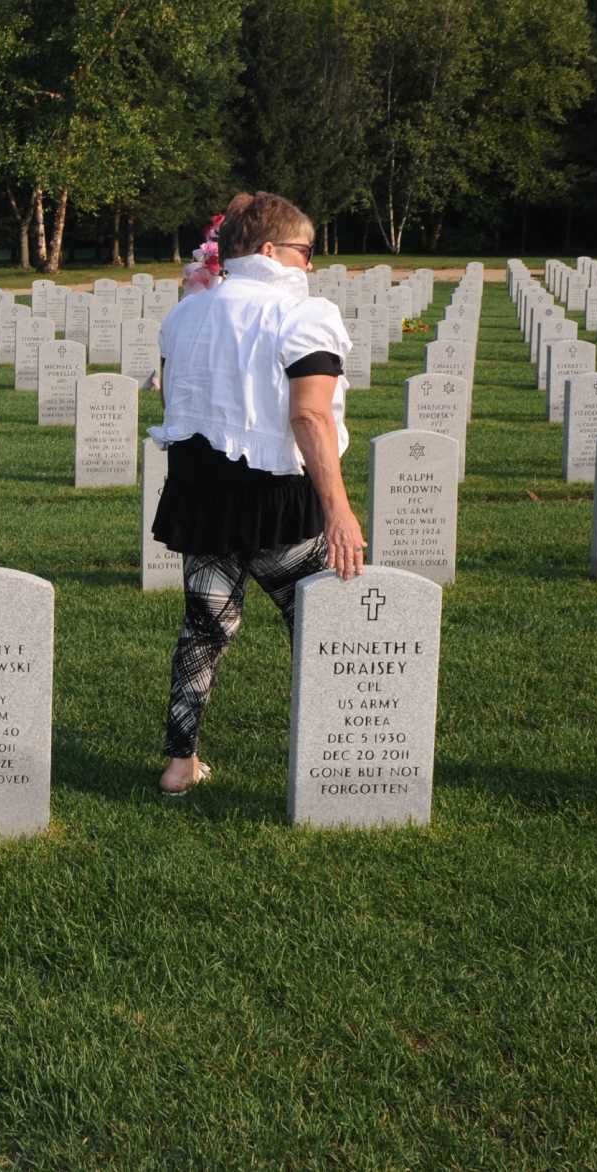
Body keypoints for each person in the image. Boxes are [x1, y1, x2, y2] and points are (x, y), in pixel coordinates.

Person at [146, 192, 366, 797]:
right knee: (324, 629)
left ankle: (178, 764)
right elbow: (311, 418)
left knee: (203, 631)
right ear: (270, 251)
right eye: (305, 251)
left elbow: (172, 402)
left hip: (202, 497)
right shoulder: (303, 314)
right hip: (277, 502)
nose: (311, 265)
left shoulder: (184, 313)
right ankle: (339, 758)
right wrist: (339, 511)